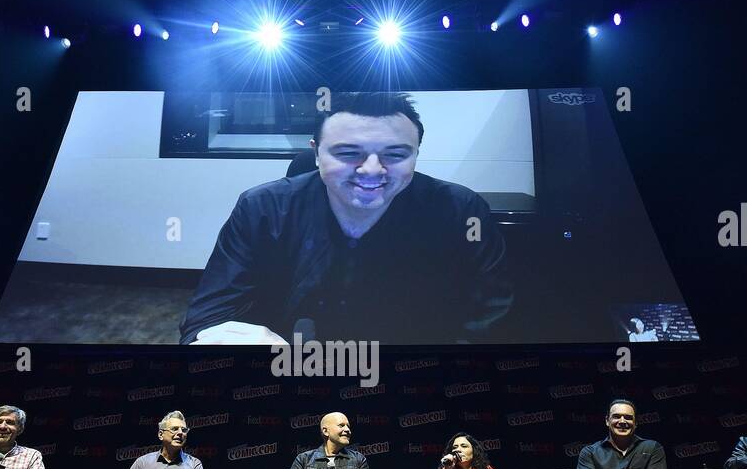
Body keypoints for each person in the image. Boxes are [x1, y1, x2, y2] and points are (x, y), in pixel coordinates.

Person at [179, 92, 512, 345]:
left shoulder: (461, 210)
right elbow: (208, 318)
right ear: (316, 152)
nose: (371, 170)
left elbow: (494, 316)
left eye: (395, 154)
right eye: (348, 153)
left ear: (415, 154)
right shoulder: (261, 208)